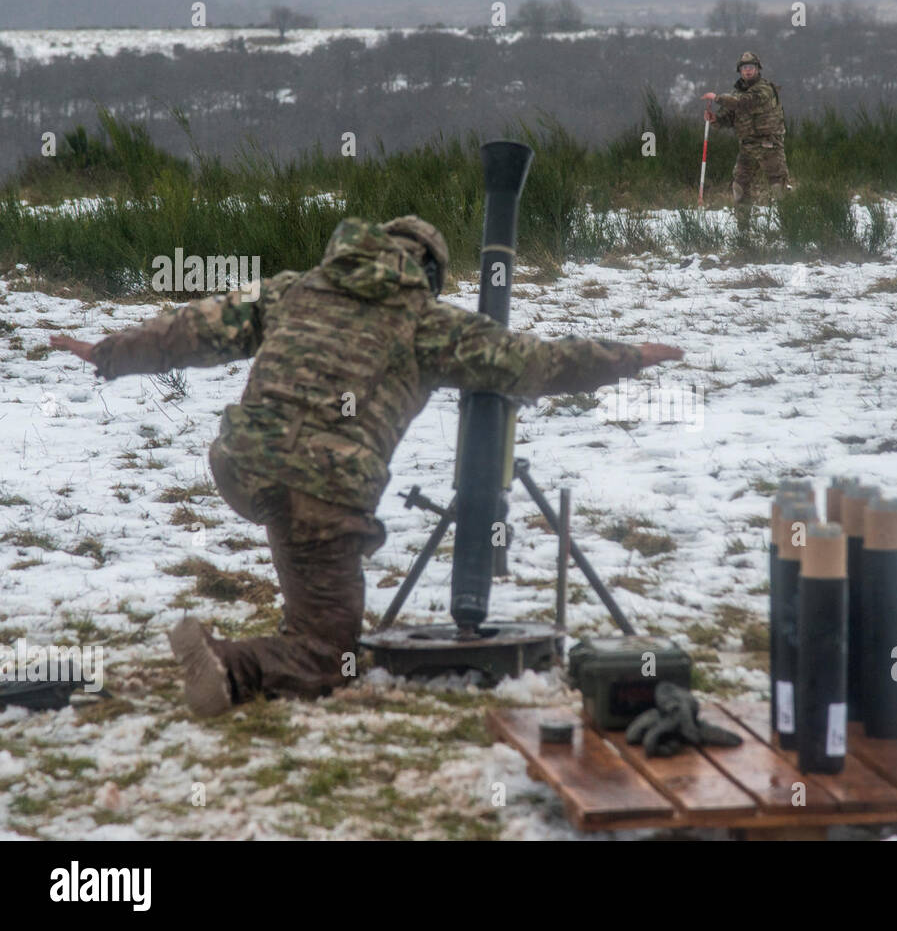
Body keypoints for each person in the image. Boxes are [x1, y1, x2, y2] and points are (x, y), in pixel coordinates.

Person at [51, 216, 683, 717]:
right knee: (330, 655)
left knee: (304, 551)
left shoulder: (295, 288)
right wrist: (628, 357)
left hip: (243, 462)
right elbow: (535, 363)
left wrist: (107, 353)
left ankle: (290, 623)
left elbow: (192, 330)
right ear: (428, 273)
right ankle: (230, 667)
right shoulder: (426, 322)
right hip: (320, 485)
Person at [702, 51, 789, 229]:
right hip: (747, 147)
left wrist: (717, 98)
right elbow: (729, 117)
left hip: (769, 145)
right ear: (740, 71)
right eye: (744, 68)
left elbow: (743, 102)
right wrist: (715, 120)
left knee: (778, 187)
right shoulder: (736, 93)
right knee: (739, 186)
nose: (748, 71)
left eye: (751, 67)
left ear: (757, 69)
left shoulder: (764, 89)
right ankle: (743, 230)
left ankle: (790, 227)